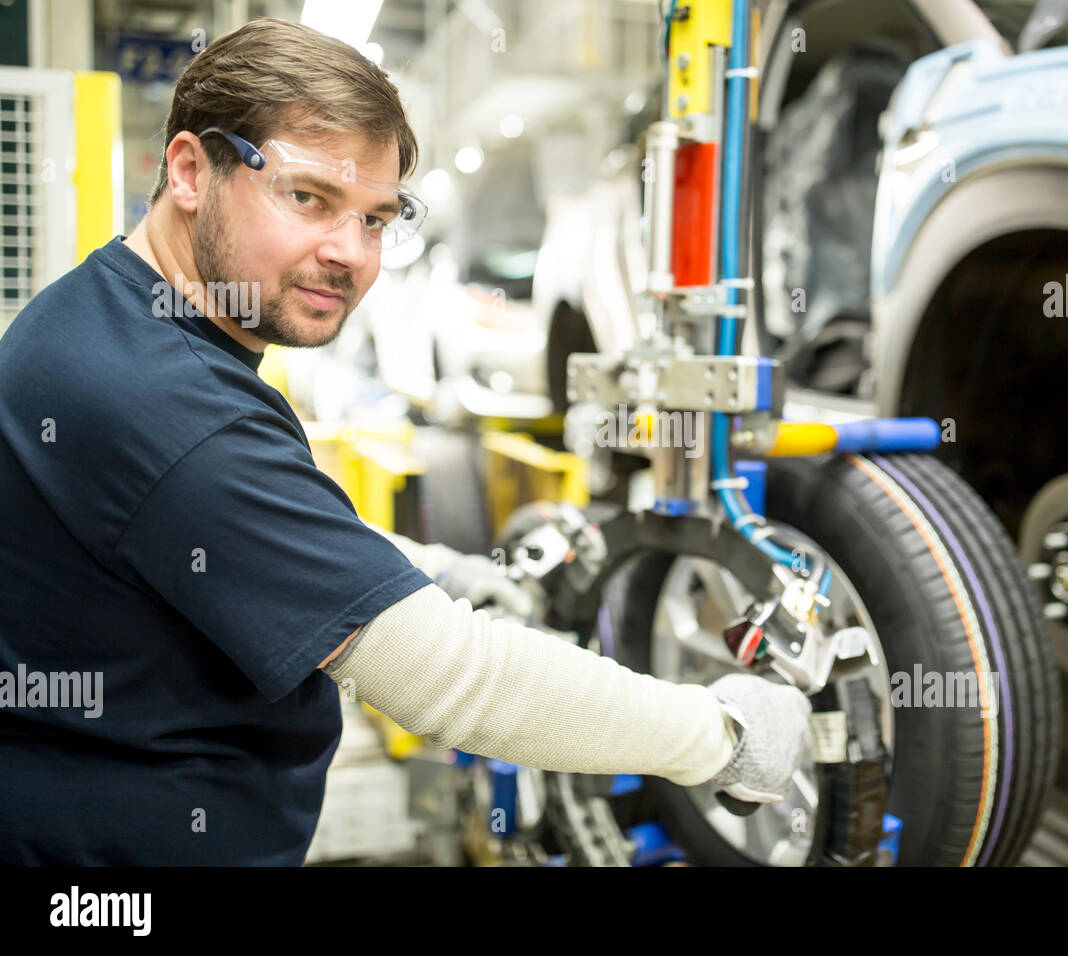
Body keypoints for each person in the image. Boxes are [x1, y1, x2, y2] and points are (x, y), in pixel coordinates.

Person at [0, 18, 810, 865]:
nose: (348, 254)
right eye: (308, 197)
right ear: (191, 169)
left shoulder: (104, 315)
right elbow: (449, 679)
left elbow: (224, 537)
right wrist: (723, 734)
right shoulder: (173, 409)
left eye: (377, 218)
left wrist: (426, 571)